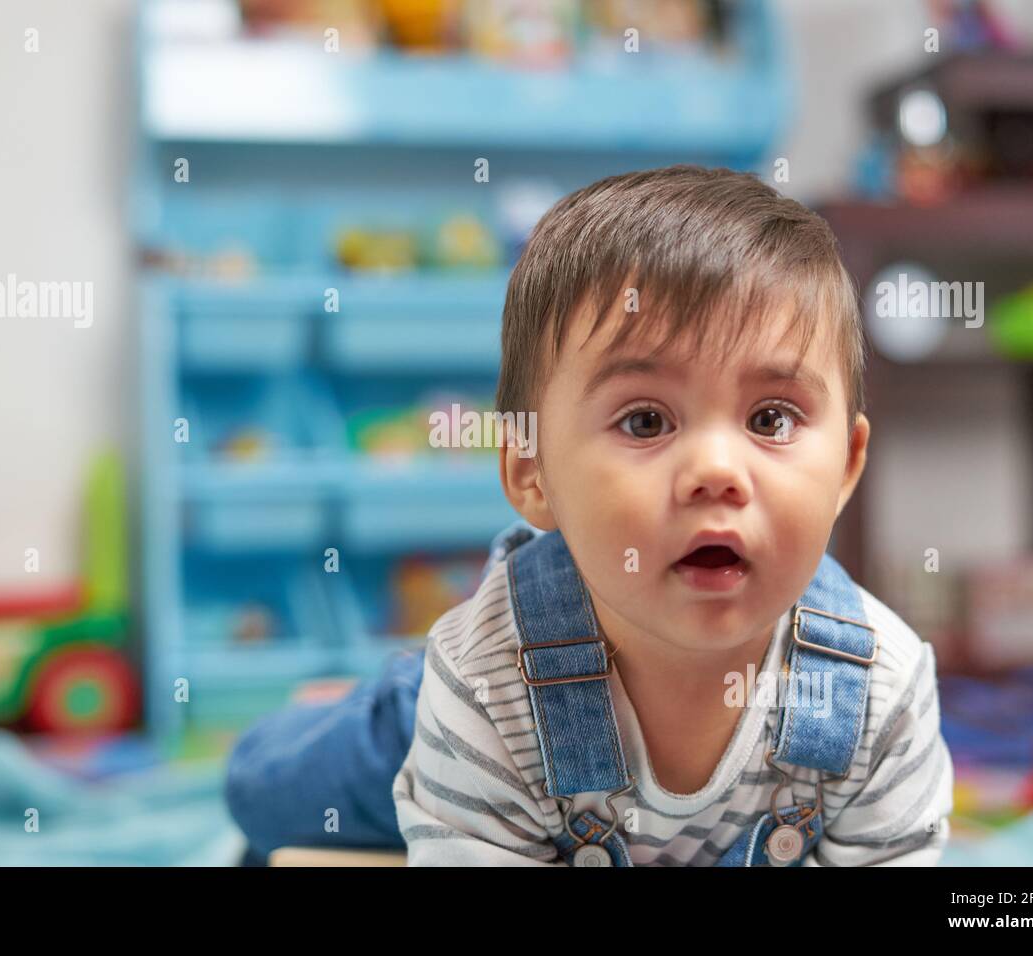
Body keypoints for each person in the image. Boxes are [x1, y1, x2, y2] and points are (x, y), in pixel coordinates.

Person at [228, 165, 954, 866]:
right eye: (645, 422)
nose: (717, 472)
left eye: (771, 417)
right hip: (471, 726)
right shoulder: (483, 683)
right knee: (266, 795)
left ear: (848, 465)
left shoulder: (881, 694)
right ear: (530, 471)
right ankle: (350, 706)